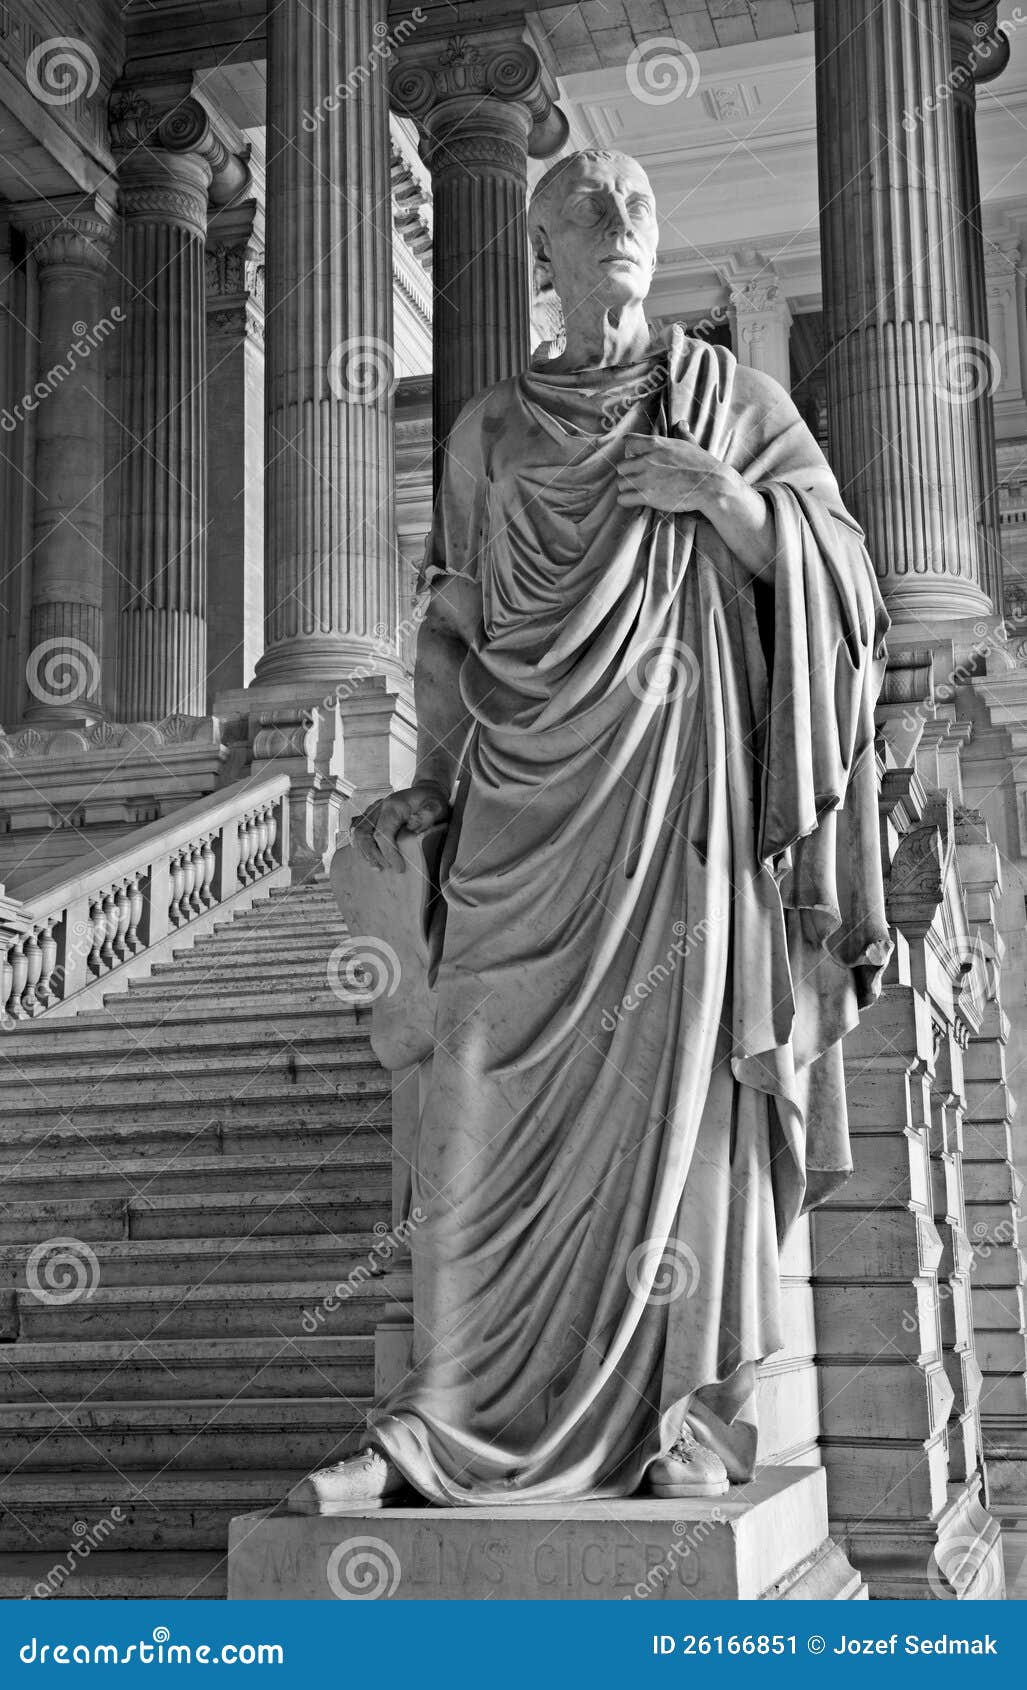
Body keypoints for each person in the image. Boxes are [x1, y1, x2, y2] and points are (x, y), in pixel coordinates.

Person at [288, 148, 890, 1514]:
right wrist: (431, 778)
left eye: (633, 207)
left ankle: (679, 1406)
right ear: (540, 252)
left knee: (682, 1102)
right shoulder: (488, 432)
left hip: (680, 809)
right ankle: (436, 1420)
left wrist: (733, 510)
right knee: (474, 1085)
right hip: (518, 817)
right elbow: (456, 627)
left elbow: (846, 573)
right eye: (583, 210)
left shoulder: (732, 401)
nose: (615, 225)